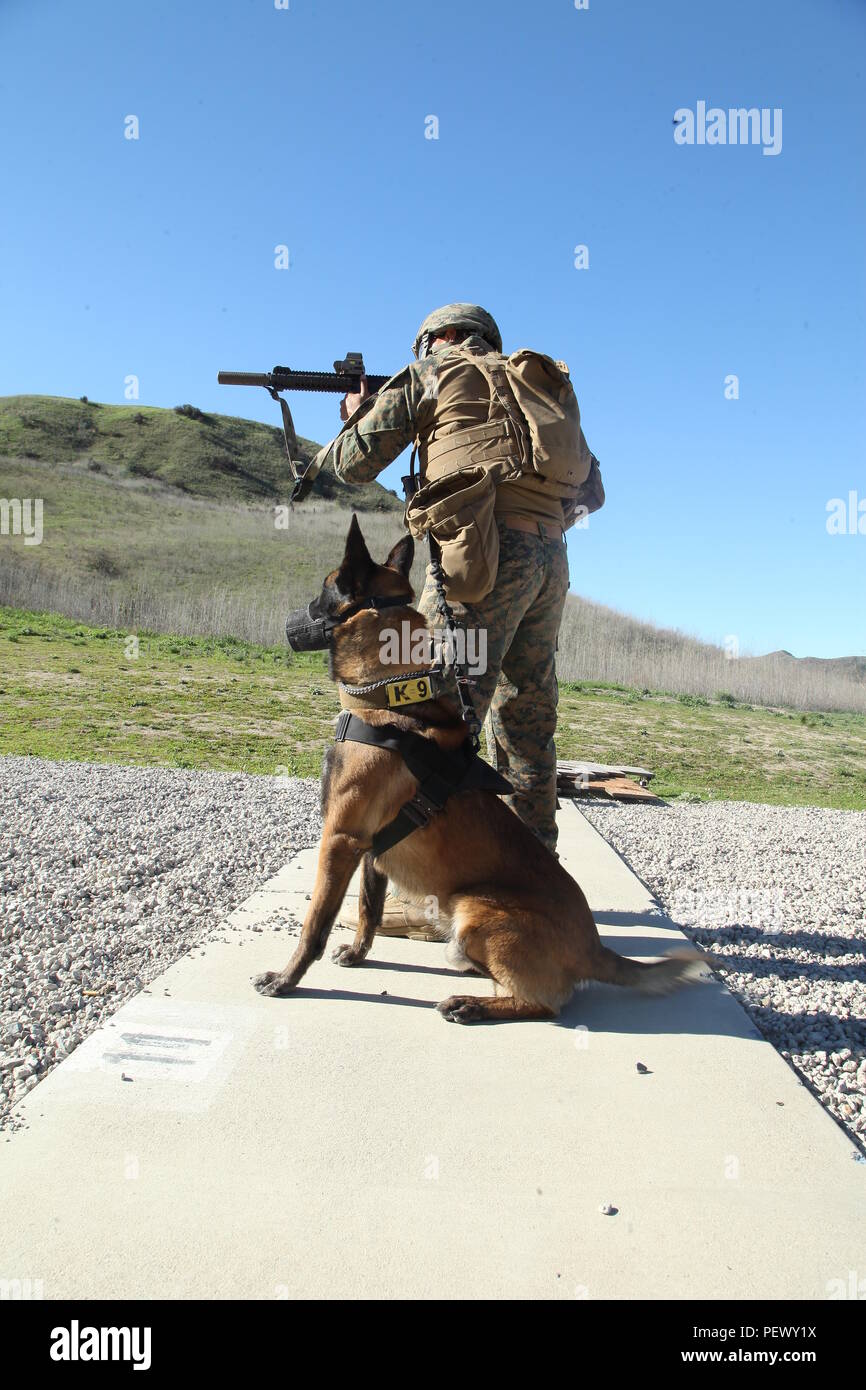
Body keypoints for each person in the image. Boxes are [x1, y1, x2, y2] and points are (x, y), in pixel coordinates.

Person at [311, 303, 601, 937]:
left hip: (480, 565)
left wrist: (360, 414)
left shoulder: (434, 373)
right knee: (527, 718)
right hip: (547, 562)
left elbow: (350, 465)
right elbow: (590, 490)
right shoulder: (535, 383)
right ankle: (534, 878)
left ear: (434, 340)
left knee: (437, 718)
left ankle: (438, 890)